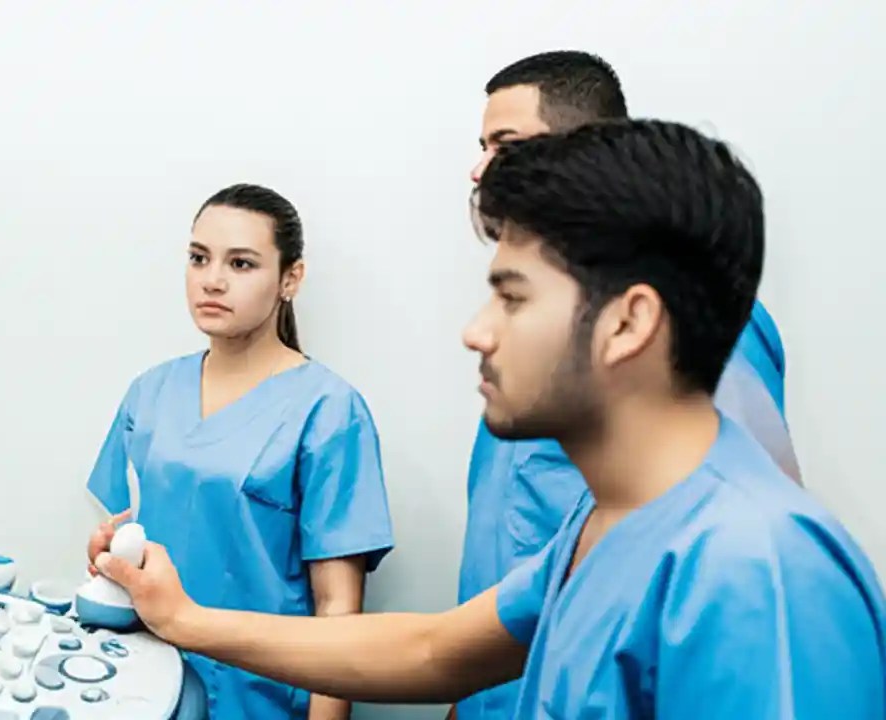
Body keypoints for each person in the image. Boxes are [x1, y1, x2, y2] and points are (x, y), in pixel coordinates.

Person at [91, 120, 886, 718]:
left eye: (511, 295)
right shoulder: (602, 529)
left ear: (628, 322)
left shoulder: (762, 571)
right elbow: (431, 649)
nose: (477, 329)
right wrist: (186, 620)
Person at [453, 51, 801, 719]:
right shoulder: (543, 360)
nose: (481, 170)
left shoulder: (755, 550)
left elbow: (739, 532)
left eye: (508, 146)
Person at [85, 183, 395, 719]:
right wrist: (111, 556)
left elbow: (338, 613)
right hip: (145, 690)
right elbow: (134, 533)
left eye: (242, 264)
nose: (213, 280)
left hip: (259, 699)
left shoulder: (328, 412)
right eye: (199, 258)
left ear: (289, 279)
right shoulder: (151, 392)